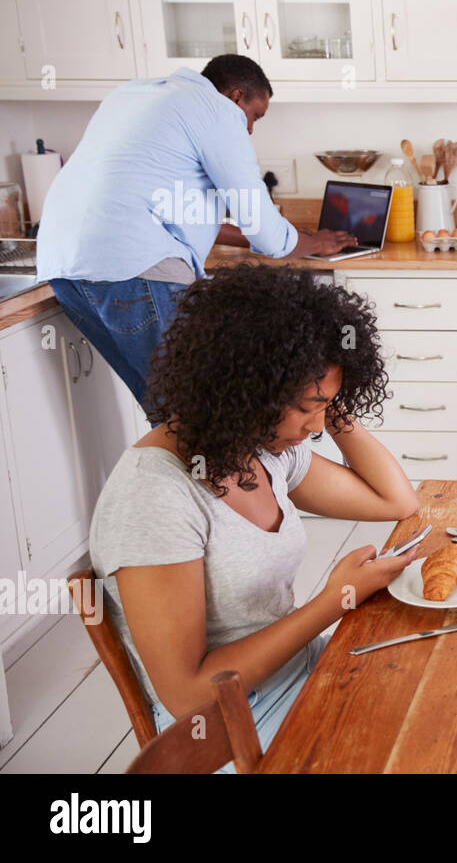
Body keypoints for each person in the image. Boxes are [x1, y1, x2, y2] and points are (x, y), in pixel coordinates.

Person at [89, 264, 420, 771]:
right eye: (305, 408)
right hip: (227, 729)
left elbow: (394, 502)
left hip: (301, 672)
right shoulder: (153, 495)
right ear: (246, 386)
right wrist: (334, 600)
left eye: (324, 409)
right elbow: (189, 698)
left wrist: (326, 401)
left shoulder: (259, 448)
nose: (314, 429)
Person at [36, 55, 358, 416]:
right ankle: (213, 473)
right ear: (236, 97)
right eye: (255, 116)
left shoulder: (131, 95)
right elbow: (266, 232)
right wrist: (311, 243)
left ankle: (183, 472)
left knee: (165, 408)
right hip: (136, 269)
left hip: (64, 267)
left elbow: (177, 213)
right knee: (194, 411)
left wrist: (289, 237)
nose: (250, 129)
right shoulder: (217, 111)